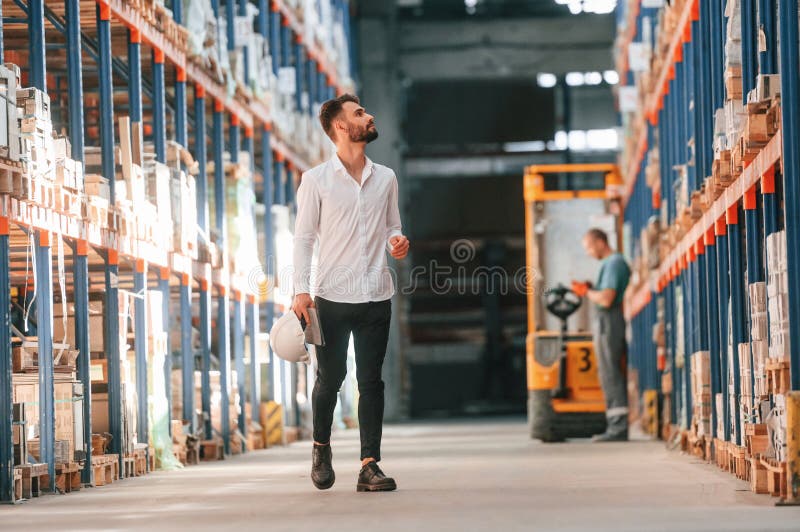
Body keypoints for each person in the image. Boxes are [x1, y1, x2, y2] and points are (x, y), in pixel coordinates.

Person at [292, 94, 409, 491]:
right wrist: (300, 291)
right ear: (341, 127)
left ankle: (369, 465)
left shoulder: (386, 178)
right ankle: (321, 447)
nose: (369, 115)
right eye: (359, 113)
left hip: (377, 293)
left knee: (371, 381)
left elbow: (393, 225)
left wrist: (397, 241)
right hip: (331, 297)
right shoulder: (316, 181)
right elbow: (304, 239)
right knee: (330, 378)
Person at [571, 228, 631, 442]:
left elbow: (606, 299)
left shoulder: (614, 263)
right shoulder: (610, 264)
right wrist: (591, 287)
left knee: (610, 373)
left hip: (609, 322)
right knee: (607, 372)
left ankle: (618, 428)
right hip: (606, 322)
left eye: (588, 247)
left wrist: (586, 292)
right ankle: (615, 425)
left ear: (599, 242)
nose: (588, 252)